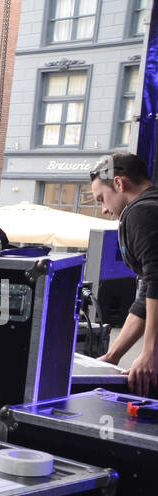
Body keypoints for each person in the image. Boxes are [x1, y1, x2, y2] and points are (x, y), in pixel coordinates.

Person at [92, 152, 158, 395]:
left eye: (101, 198)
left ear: (119, 183)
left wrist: (150, 353)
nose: (104, 210)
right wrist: (112, 356)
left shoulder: (141, 213)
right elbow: (146, 296)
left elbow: (156, 281)